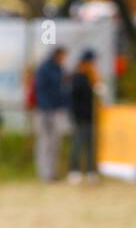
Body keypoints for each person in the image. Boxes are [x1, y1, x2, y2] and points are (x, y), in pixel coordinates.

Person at [32, 46, 67, 182]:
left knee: (55, 143)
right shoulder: (44, 69)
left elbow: (62, 90)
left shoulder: (59, 69)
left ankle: (53, 172)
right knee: (45, 143)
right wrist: (45, 109)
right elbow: (40, 90)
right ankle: (44, 174)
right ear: (57, 55)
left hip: (57, 110)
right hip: (45, 111)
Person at [67, 49, 99, 183]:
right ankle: (74, 171)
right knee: (77, 145)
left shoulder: (90, 76)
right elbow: (74, 99)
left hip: (90, 116)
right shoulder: (77, 77)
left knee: (91, 145)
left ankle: (91, 171)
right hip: (79, 117)